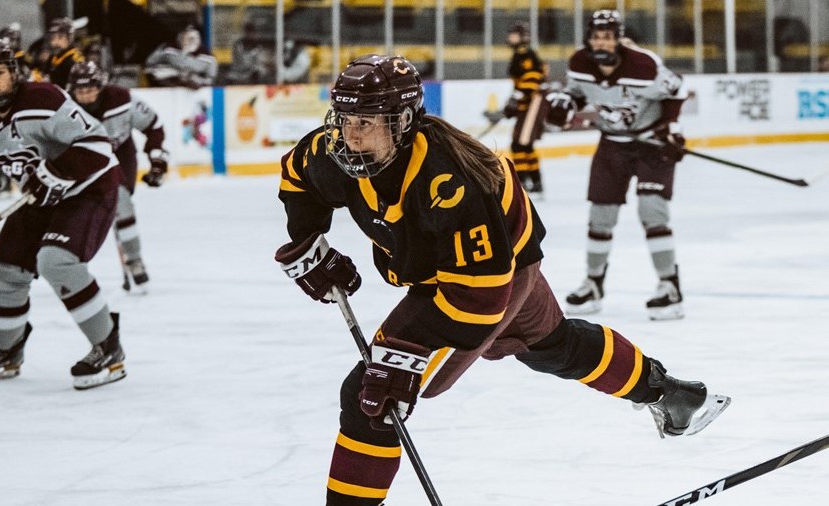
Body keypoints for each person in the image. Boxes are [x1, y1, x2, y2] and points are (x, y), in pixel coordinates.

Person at [274, 54, 728, 505]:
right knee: (553, 346)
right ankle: (670, 393)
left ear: (404, 122)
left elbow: (479, 303)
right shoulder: (333, 152)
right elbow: (296, 175)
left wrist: (399, 356)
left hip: (491, 278)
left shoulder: (448, 184)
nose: (350, 136)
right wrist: (309, 241)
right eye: (346, 119)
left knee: (372, 398)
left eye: (368, 122)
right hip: (462, 271)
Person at [0, 42, 126, 390]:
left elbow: (97, 143)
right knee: (5, 270)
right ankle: (7, 351)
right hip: (41, 197)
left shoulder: (44, 99)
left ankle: (108, 347)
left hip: (89, 188)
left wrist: (58, 171)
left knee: (57, 262)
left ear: (13, 73)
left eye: (0, 73)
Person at [546, 10, 688, 320]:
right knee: (600, 217)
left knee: (652, 212)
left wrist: (671, 129)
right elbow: (577, 93)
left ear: (618, 39)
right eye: (597, 36)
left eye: (608, 37)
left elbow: (677, 89)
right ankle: (594, 284)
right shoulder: (580, 63)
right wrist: (564, 104)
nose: (602, 42)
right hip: (612, 144)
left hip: (651, 144)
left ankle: (670, 286)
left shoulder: (643, 66)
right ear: (588, 38)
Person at [68, 61, 168, 293]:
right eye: (80, 91)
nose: (85, 96)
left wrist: (157, 162)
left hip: (120, 158)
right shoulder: (64, 108)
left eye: (90, 89)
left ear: (101, 86)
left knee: (122, 205)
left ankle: (134, 259)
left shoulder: (121, 99)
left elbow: (154, 124)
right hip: (84, 164)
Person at [484, 22, 547, 197]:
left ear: (523, 37)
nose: (510, 37)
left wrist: (516, 100)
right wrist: (512, 106)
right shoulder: (521, 55)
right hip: (529, 104)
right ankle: (535, 182)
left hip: (534, 104)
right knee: (524, 145)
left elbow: (532, 80)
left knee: (520, 144)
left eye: (514, 34)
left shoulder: (525, 55)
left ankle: (524, 182)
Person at [144, 25, 216, 89]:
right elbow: (149, 65)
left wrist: (193, 79)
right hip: (164, 88)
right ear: (180, 36)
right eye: (187, 37)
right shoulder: (168, 49)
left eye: (194, 38)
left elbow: (210, 80)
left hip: (194, 92)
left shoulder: (208, 58)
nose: (191, 41)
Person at [43, 17, 84, 88]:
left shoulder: (75, 59)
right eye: (52, 38)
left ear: (69, 38)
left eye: (60, 37)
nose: (54, 42)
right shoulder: (53, 57)